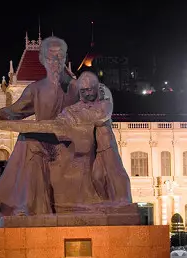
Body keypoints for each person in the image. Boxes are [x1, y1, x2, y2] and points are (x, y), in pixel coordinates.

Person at [0, 36, 79, 216]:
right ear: (42, 60)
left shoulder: (76, 88)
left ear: (65, 58)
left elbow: (94, 111)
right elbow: (15, 110)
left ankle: (5, 196)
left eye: (60, 56)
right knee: (29, 141)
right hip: (46, 141)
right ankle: (34, 207)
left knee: (29, 140)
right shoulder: (36, 88)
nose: (55, 61)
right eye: (51, 57)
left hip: (71, 144)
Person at [53, 71, 132, 207]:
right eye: (83, 91)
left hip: (106, 144)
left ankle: (124, 200)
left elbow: (99, 116)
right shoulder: (84, 104)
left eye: (89, 90)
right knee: (97, 176)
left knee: (115, 171)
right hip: (94, 148)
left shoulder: (104, 101)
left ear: (96, 87)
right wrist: (66, 114)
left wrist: (73, 116)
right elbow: (75, 110)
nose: (87, 94)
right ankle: (106, 201)